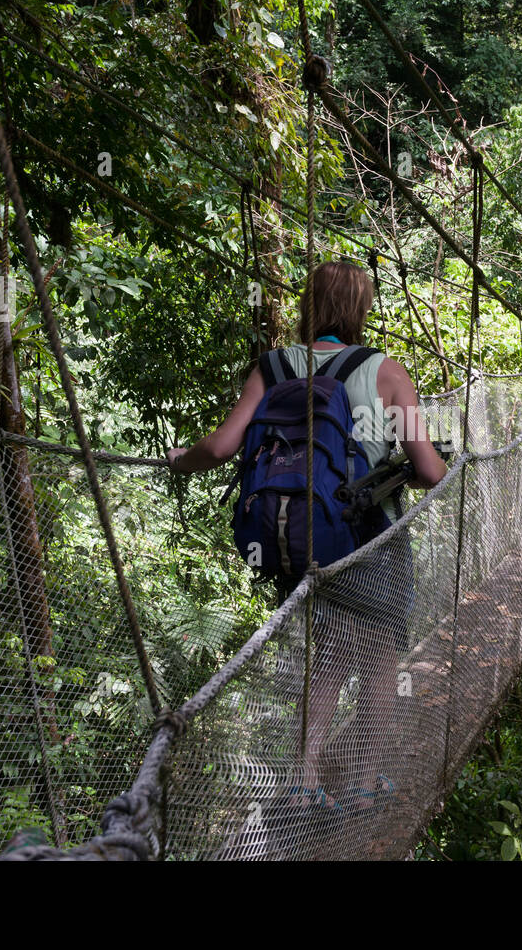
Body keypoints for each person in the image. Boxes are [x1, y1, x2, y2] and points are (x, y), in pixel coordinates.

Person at [167, 260, 448, 814]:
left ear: (307, 306)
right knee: (377, 655)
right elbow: (432, 471)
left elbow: (223, 447)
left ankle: (304, 776)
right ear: (360, 311)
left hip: (300, 540)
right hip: (371, 541)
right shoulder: (384, 372)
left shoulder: (272, 367)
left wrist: (180, 459)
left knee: (327, 657)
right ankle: (366, 776)